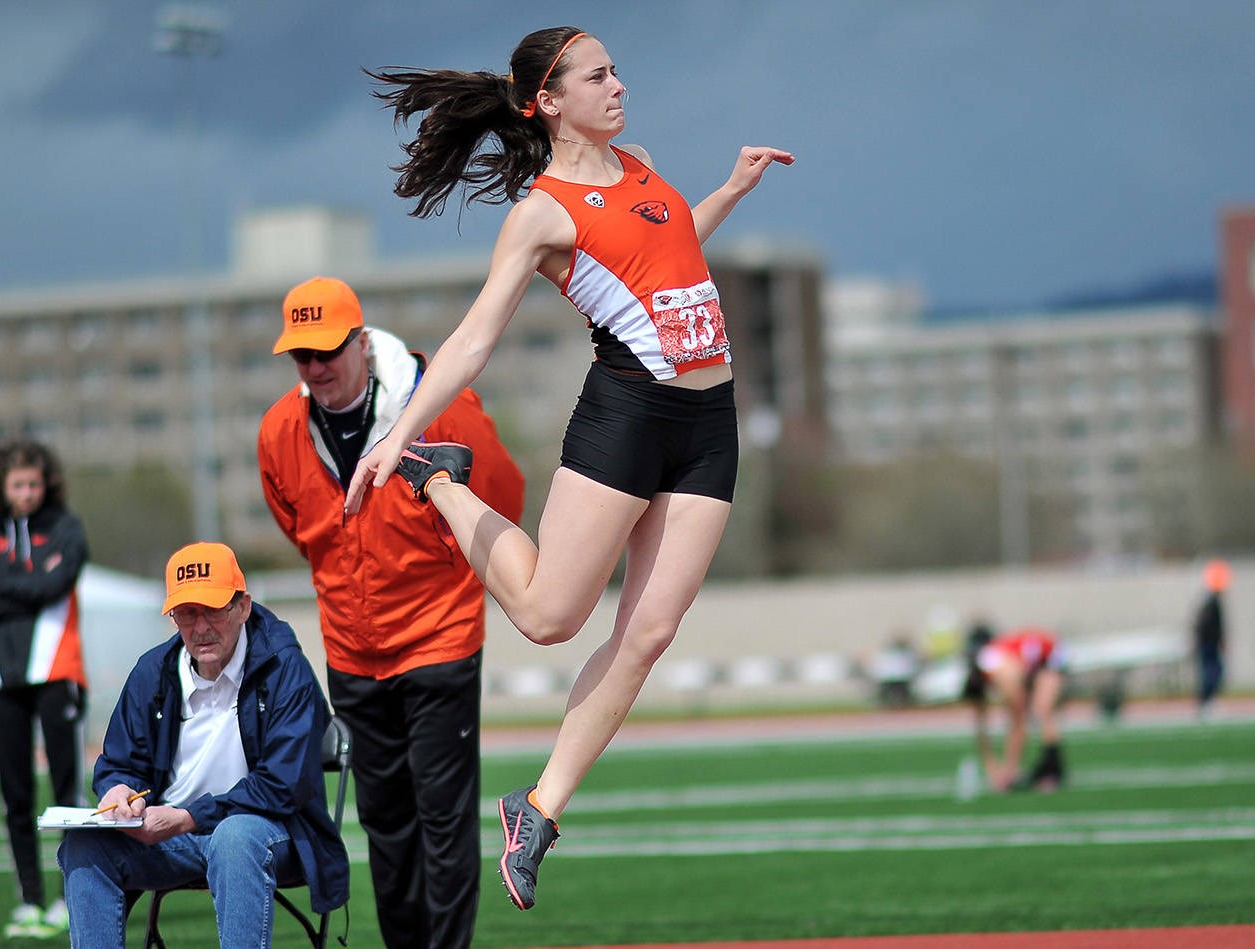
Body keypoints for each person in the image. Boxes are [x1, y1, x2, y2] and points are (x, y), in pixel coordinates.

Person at [356, 26, 793, 910]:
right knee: (552, 616)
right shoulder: (541, 212)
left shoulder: (639, 166)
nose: (619, 84)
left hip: (710, 419)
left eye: (618, 69)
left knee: (650, 634)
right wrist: (398, 428)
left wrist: (729, 191)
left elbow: (669, 257)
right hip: (627, 414)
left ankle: (538, 806)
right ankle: (440, 478)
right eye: (599, 76)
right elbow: (476, 337)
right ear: (549, 101)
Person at [257, 275, 524, 948]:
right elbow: (300, 526)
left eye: (326, 351)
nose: (315, 368)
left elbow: (502, 501)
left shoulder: (445, 408)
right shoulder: (280, 430)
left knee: (443, 821)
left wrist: (439, 554)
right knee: (385, 825)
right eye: (302, 356)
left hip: (440, 639)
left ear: (361, 340)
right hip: (352, 652)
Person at [58, 542, 348, 949]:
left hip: (270, 834)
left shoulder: (286, 669)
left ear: (243, 607)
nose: (199, 628)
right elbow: (119, 762)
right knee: (85, 843)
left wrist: (189, 816)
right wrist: (118, 791)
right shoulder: (152, 672)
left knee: (235, 836)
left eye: (212, 609)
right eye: (186, 613)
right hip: (170, 835)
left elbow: (284, 786)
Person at [0, 438, 87, 939]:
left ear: (46, 483)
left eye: (34, 483)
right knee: (14, 795)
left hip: (58, 669)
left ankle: (71, 897)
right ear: (0, 486)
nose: (27, 493)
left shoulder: (66, 527)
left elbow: (55, 587)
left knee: (68, 791)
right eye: (18, 484)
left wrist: (6, 585)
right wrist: (29, 580)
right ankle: (30, 900)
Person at [962, 623, 1067, 793]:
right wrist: (991, 767)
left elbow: (1018, 723)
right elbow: (981, 725)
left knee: (1042, 708)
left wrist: (1008, 770)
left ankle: (1052, 769)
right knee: (1035, 709)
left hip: (1051, 655)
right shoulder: (986, 670)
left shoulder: (1004, 673)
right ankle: (1040, 770)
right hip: (1029, 662)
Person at [1194, 558, 1231, 719]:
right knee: (1212, 673)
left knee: (1213, 672)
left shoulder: (1211, 601)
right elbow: (1209, 626)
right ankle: (1206, 703)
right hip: (1208, 645)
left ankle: (1207, 702)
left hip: (1208, 645)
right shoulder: (1211, 602)